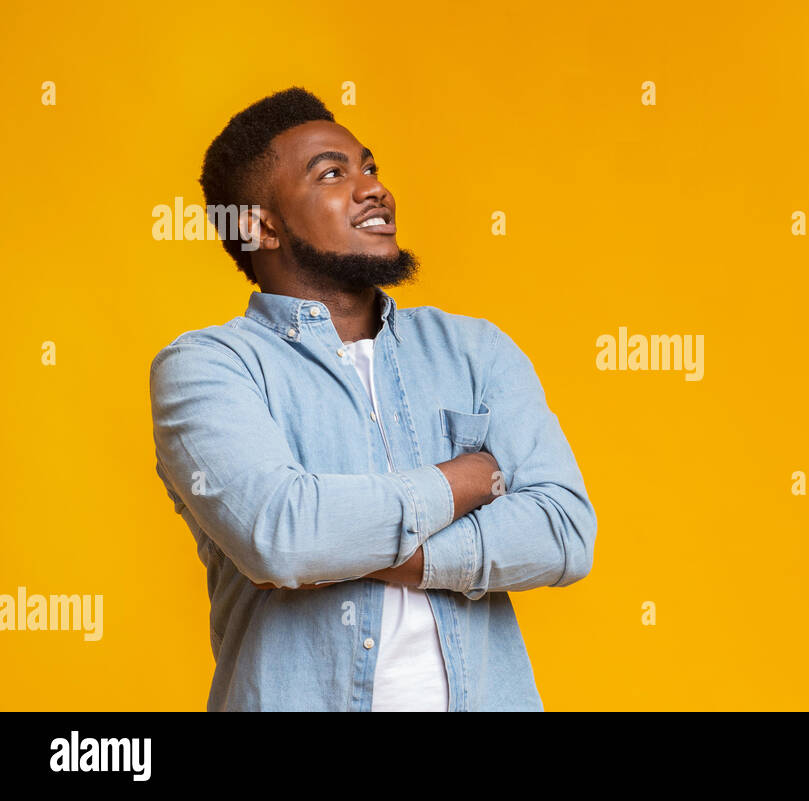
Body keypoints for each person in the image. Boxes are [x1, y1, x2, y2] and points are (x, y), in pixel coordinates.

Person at [149, 87, 596, 711]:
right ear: (260, 225)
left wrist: (380, 549)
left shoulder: (476, 350)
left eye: (370, 166)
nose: (372, 188)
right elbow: (281, 534)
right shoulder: (209, 367)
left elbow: (564, 531)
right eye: (333, 173)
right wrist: (465, 479)